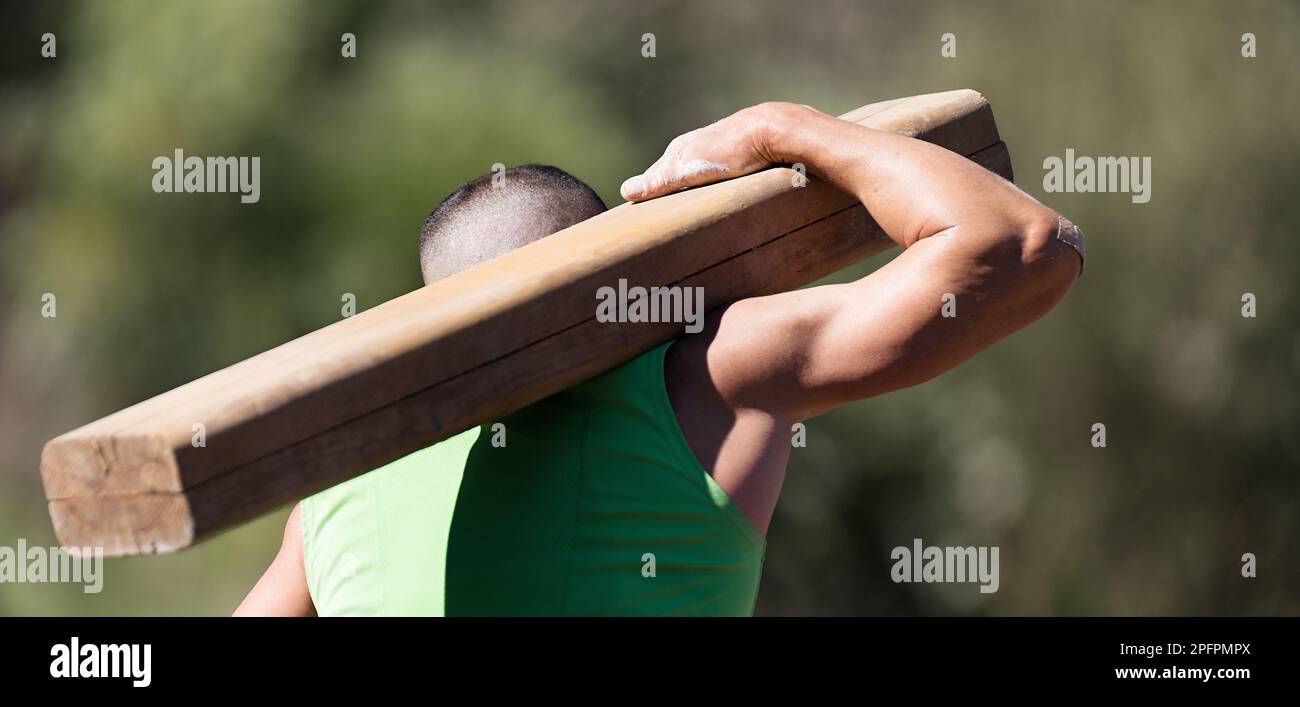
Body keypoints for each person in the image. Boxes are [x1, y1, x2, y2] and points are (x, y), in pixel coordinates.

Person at [235, 100, 1084, 616]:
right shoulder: (698, 379)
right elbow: (1024, 247)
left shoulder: (342, 485)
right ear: (612, 267)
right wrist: (784, 128)